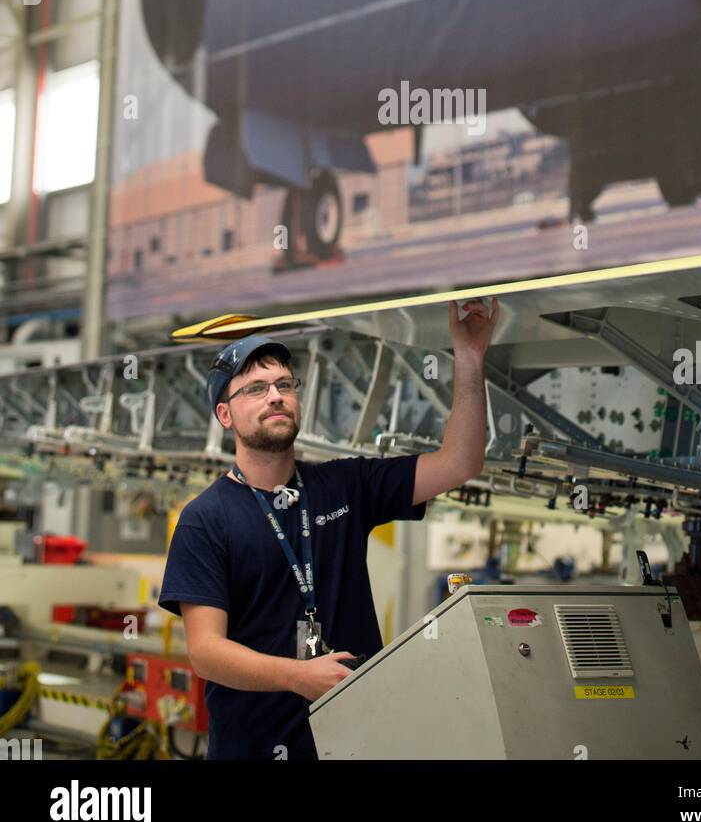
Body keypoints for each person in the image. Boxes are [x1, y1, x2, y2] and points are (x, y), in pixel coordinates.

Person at [158, 294, 498, 760]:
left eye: (283, 384)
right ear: (224, 415)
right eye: (254, 389)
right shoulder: (205, 519)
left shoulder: (345, 486)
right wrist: (297, 676)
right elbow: (206, 652)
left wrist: (469, 355)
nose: (275, 395)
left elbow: (461, 462)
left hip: (356, 743)